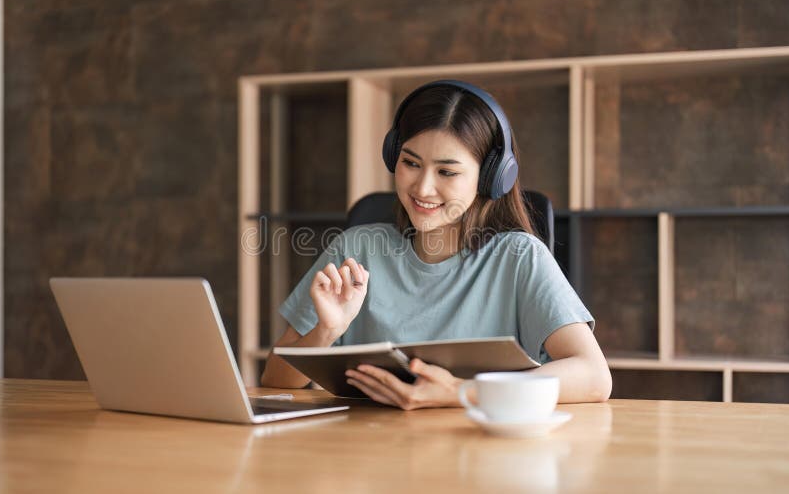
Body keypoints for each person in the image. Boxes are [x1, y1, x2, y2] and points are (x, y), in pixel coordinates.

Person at [261, 80, 612, 409]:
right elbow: (275, 380)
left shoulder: (520, 257)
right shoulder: (357, 247)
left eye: (447, 172)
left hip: (482, 456)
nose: (422, 188)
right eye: (411, 163)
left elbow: (595, 377)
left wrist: (460, 392)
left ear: (490, 178)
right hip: (370, 456)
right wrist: (326, 332)